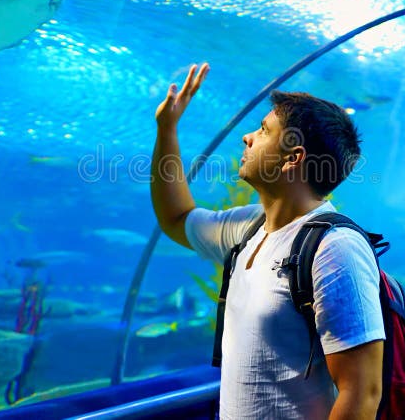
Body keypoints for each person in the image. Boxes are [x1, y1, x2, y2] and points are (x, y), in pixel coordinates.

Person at [150, 62, 385, 419]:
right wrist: (167, 129)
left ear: (293, 158)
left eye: (263, 130)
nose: (247, 137)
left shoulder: (335, 249)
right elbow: (176, 219)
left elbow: (362, 393)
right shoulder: (248, 226)